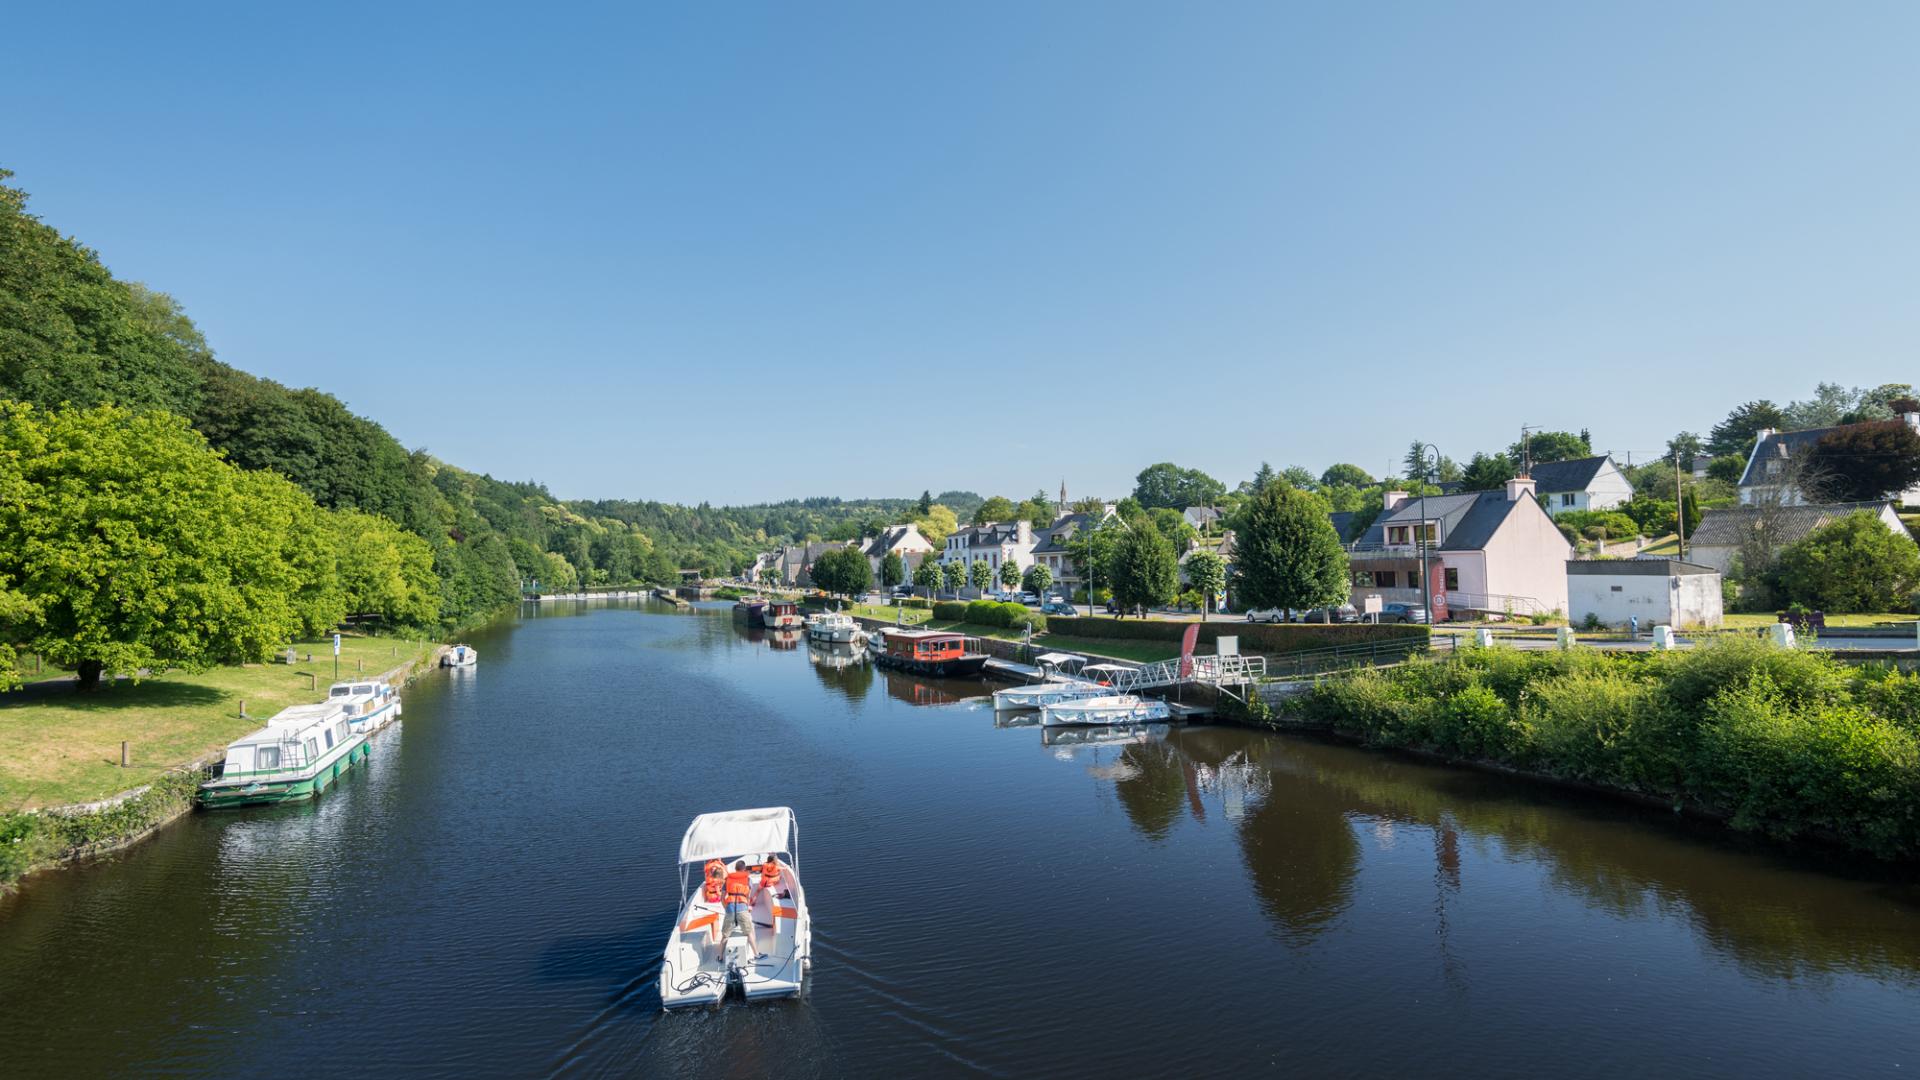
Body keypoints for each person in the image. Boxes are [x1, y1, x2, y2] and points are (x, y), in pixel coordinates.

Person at [722, 859, 756, 953]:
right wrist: (747, 907)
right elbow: (748, 897)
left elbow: (722, 898)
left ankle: (720, 956)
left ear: (735, 868)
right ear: (744, 869)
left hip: (730, 908)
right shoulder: (748, 880)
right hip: (742, 908)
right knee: (749, 932)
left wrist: (727, 908)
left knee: (725, 935)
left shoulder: (727, 880)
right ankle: (756, 954)